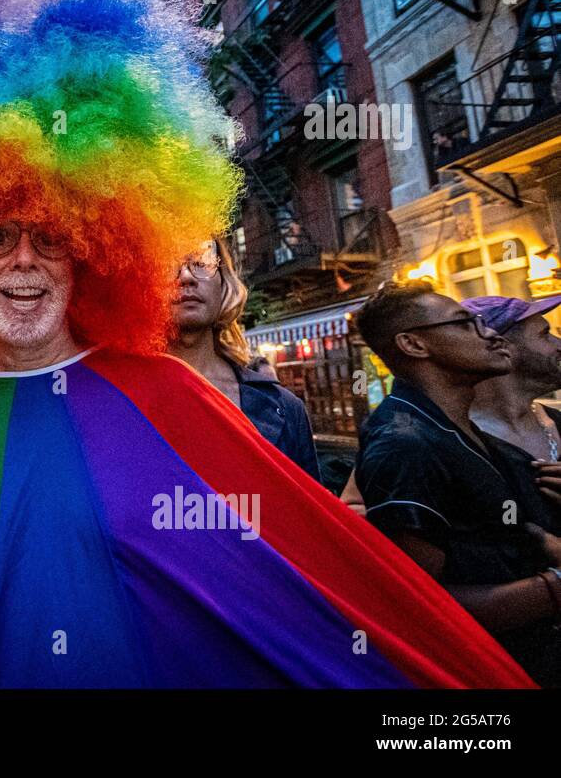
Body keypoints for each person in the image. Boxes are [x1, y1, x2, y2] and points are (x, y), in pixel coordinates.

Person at [0, 0, 531, 687]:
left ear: (99, 251)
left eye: (52, 237)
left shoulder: (173, 399)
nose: (23, 262)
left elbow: (310, 582)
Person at [352, 280, 561, 686]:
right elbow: (419, 605)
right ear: (414, 345)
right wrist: (553, 588)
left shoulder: (459, 430)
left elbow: (516, 541)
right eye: (466, 323)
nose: (490, 333)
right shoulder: (405, 443)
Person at [168, 237, 320, 480]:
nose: (186, 276)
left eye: (200, 261)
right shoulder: (114, 403)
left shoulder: (286, 409)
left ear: (224, 280)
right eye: (165, 264)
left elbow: (307, 515)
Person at [466, 295, 561, 532]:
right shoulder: (452, 440)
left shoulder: (556, 422)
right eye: (544, 334)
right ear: (501, 347)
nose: (558, 344)